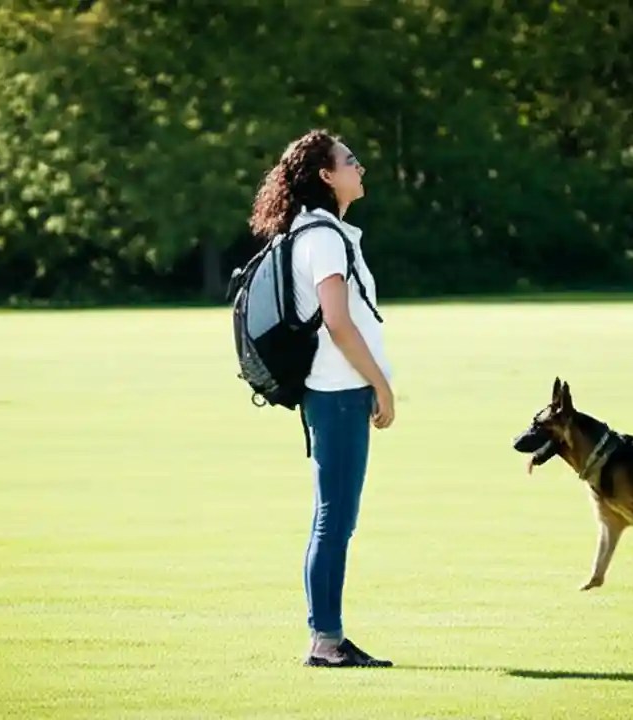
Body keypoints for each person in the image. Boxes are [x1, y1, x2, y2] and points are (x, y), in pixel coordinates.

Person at [248, 129, 396, 668]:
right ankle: (326, 641)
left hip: (333, 392)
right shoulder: (324, 238)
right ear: (327, 176)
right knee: (335, 521)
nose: (360, 168)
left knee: (333, 519)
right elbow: (337, 322)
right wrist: (381, 384)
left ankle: (327, 638)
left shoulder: (313, 230)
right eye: (350, 161)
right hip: (338, 393)